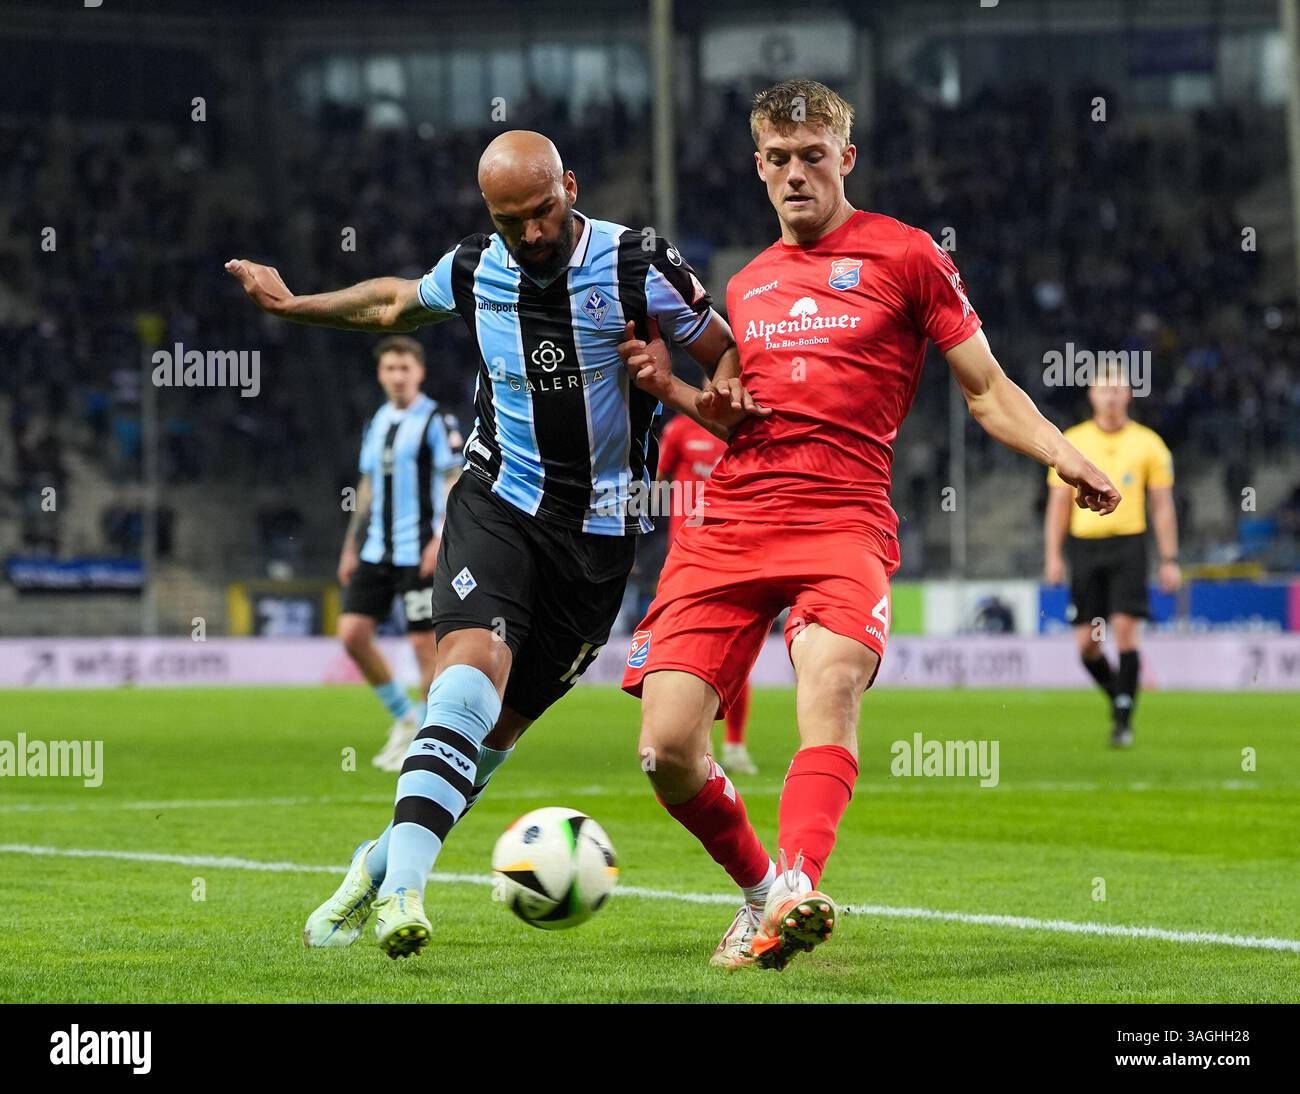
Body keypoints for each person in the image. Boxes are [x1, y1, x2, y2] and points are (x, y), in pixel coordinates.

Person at [226, 130, 763, 958]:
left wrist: (698, 392)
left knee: (488, 746)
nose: (533, 234)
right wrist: (294, 305)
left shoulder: (636, 265)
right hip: (497, 504)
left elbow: (722, 349)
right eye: (512, 221)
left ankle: (375, 863)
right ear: (490, 216)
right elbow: (393, 304)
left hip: (598, 542)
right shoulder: (479, 266)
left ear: (570, 187)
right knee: (464, 690)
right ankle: (407, 894)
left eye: (544, 211)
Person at [619, 80, 1119, 971]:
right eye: (779, 159)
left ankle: (801, 885)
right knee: (664, 751)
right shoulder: (749, 283)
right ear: (759, 167)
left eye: (814, 156)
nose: (796, 174)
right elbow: (740, 419)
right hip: (729, 524)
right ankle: (760, 890)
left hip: (842, 519)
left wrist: (1061, 453)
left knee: (833, 683)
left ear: (845, 158)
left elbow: (987, 388)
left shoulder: (907, 255)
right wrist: (678, 391)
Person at [337, 336, 462, 772]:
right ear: (380, 374)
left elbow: (454, 479)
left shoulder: (436, 420)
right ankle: (403, 718)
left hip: (419, 551)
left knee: (423, 645)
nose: (397, 376)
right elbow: (368, 486)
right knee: (352, 634)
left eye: (404, 368)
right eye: (389, 369)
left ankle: (427, 741)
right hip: (377, 549)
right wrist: (351, 545)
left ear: (419, 372)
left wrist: (441, 538)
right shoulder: (377, 421)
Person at [1044, 371, 1180, 747]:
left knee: (1123, 631)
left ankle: (1122, 722)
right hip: (1085, 549)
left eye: (1118, 389)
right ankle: (1119, 696)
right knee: (1087, 644)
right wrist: (1053, 555)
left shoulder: (1149, 444)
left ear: (1129, 396)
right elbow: (1058, 505)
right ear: (1092, 395)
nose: (1111, 396)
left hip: (1128, 547)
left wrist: (1169, 558)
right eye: (1104, 389)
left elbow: (1162, 505)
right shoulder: (1072, 441)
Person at [655, 411, 757, 774]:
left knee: (734, 655)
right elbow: (658, 485)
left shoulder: (745, 424)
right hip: (686, 556)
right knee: (685, 654)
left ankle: (734, 744)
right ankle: (695, 743)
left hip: (737, 553)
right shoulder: (680, 429)